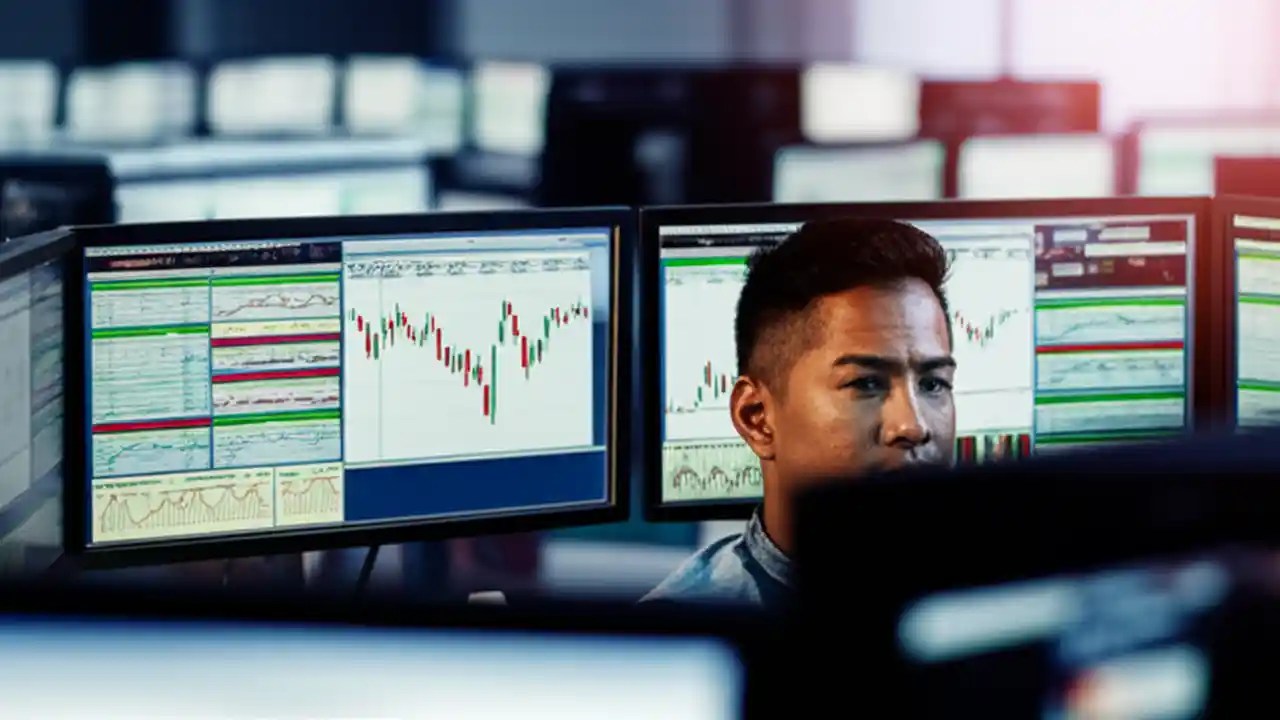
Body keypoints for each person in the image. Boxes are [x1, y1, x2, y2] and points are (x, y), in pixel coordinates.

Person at [641, 218, 957, 607]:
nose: (913, 425)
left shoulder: (1015, 601)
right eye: (866, 384)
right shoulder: (689, 639)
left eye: (933, 384)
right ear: (756, 418)